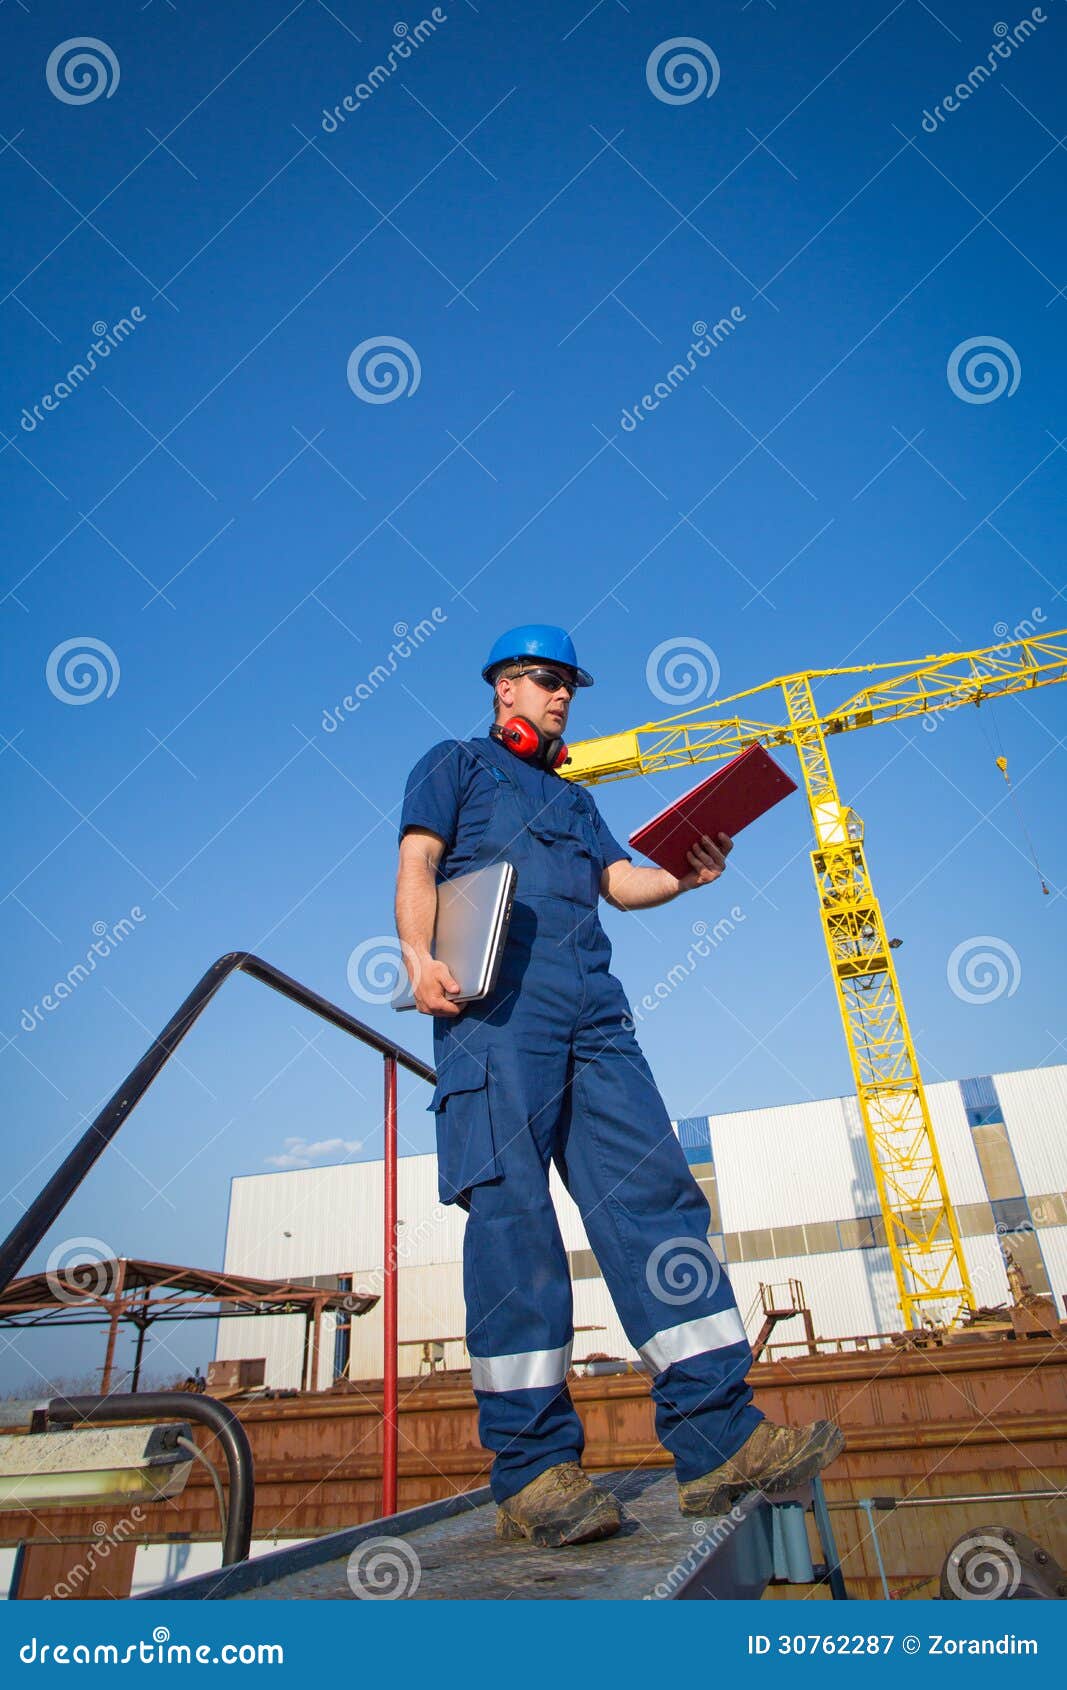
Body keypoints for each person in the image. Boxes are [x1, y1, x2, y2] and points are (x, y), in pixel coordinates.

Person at [395, 624, 843, 1548]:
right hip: (492, 1011)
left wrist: (682, 874)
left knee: (652, 1200)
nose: (562, 697)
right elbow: (417, 864)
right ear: (503, 689)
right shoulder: (455, 765)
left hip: (593, 1014)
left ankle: (719, 1438)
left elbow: (618, 884)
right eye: (546, 682)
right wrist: (414, 952)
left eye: (569, 686)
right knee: (513, 1214)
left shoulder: (573, 795)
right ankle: (533, 1470)